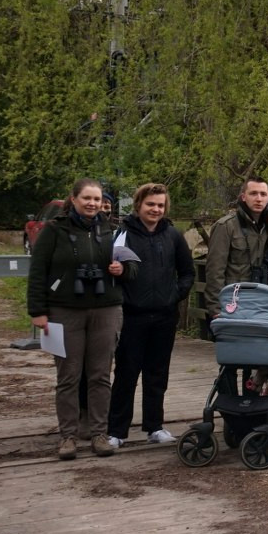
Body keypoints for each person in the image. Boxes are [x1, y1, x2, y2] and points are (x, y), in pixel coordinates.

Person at [28, 178, 130, 460]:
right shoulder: (54, 231)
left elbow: (133, 270)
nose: (92, 204)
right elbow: (38, 272)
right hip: (64, 310)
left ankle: (99, 433)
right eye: (87, 198)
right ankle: (68, 436)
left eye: (97, 200)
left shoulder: (112, 231)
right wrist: (37, 311)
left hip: (106, 308)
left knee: (100, 375)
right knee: (68, 376)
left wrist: (121, 269)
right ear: (73, 199)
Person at [106, 182, 193, 448]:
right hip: (132, 316)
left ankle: (154, 426)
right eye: (150, 204)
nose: (155, 209)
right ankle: (117, 430)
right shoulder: (123, 234)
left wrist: (174, 295)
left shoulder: (173, 235)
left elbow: (187, 272)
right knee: (126, 374)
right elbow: (112, 272)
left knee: (157, 374)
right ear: (139, 205)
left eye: (160, 205)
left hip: (165, 317)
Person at [203, 178, 268, 314]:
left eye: (263, 194)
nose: (259, 199)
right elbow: (215, 271)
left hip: (260, 303)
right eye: (253, 193)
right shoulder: (226, 226)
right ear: (243, 197)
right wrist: (216, 309)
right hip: (231, 303)